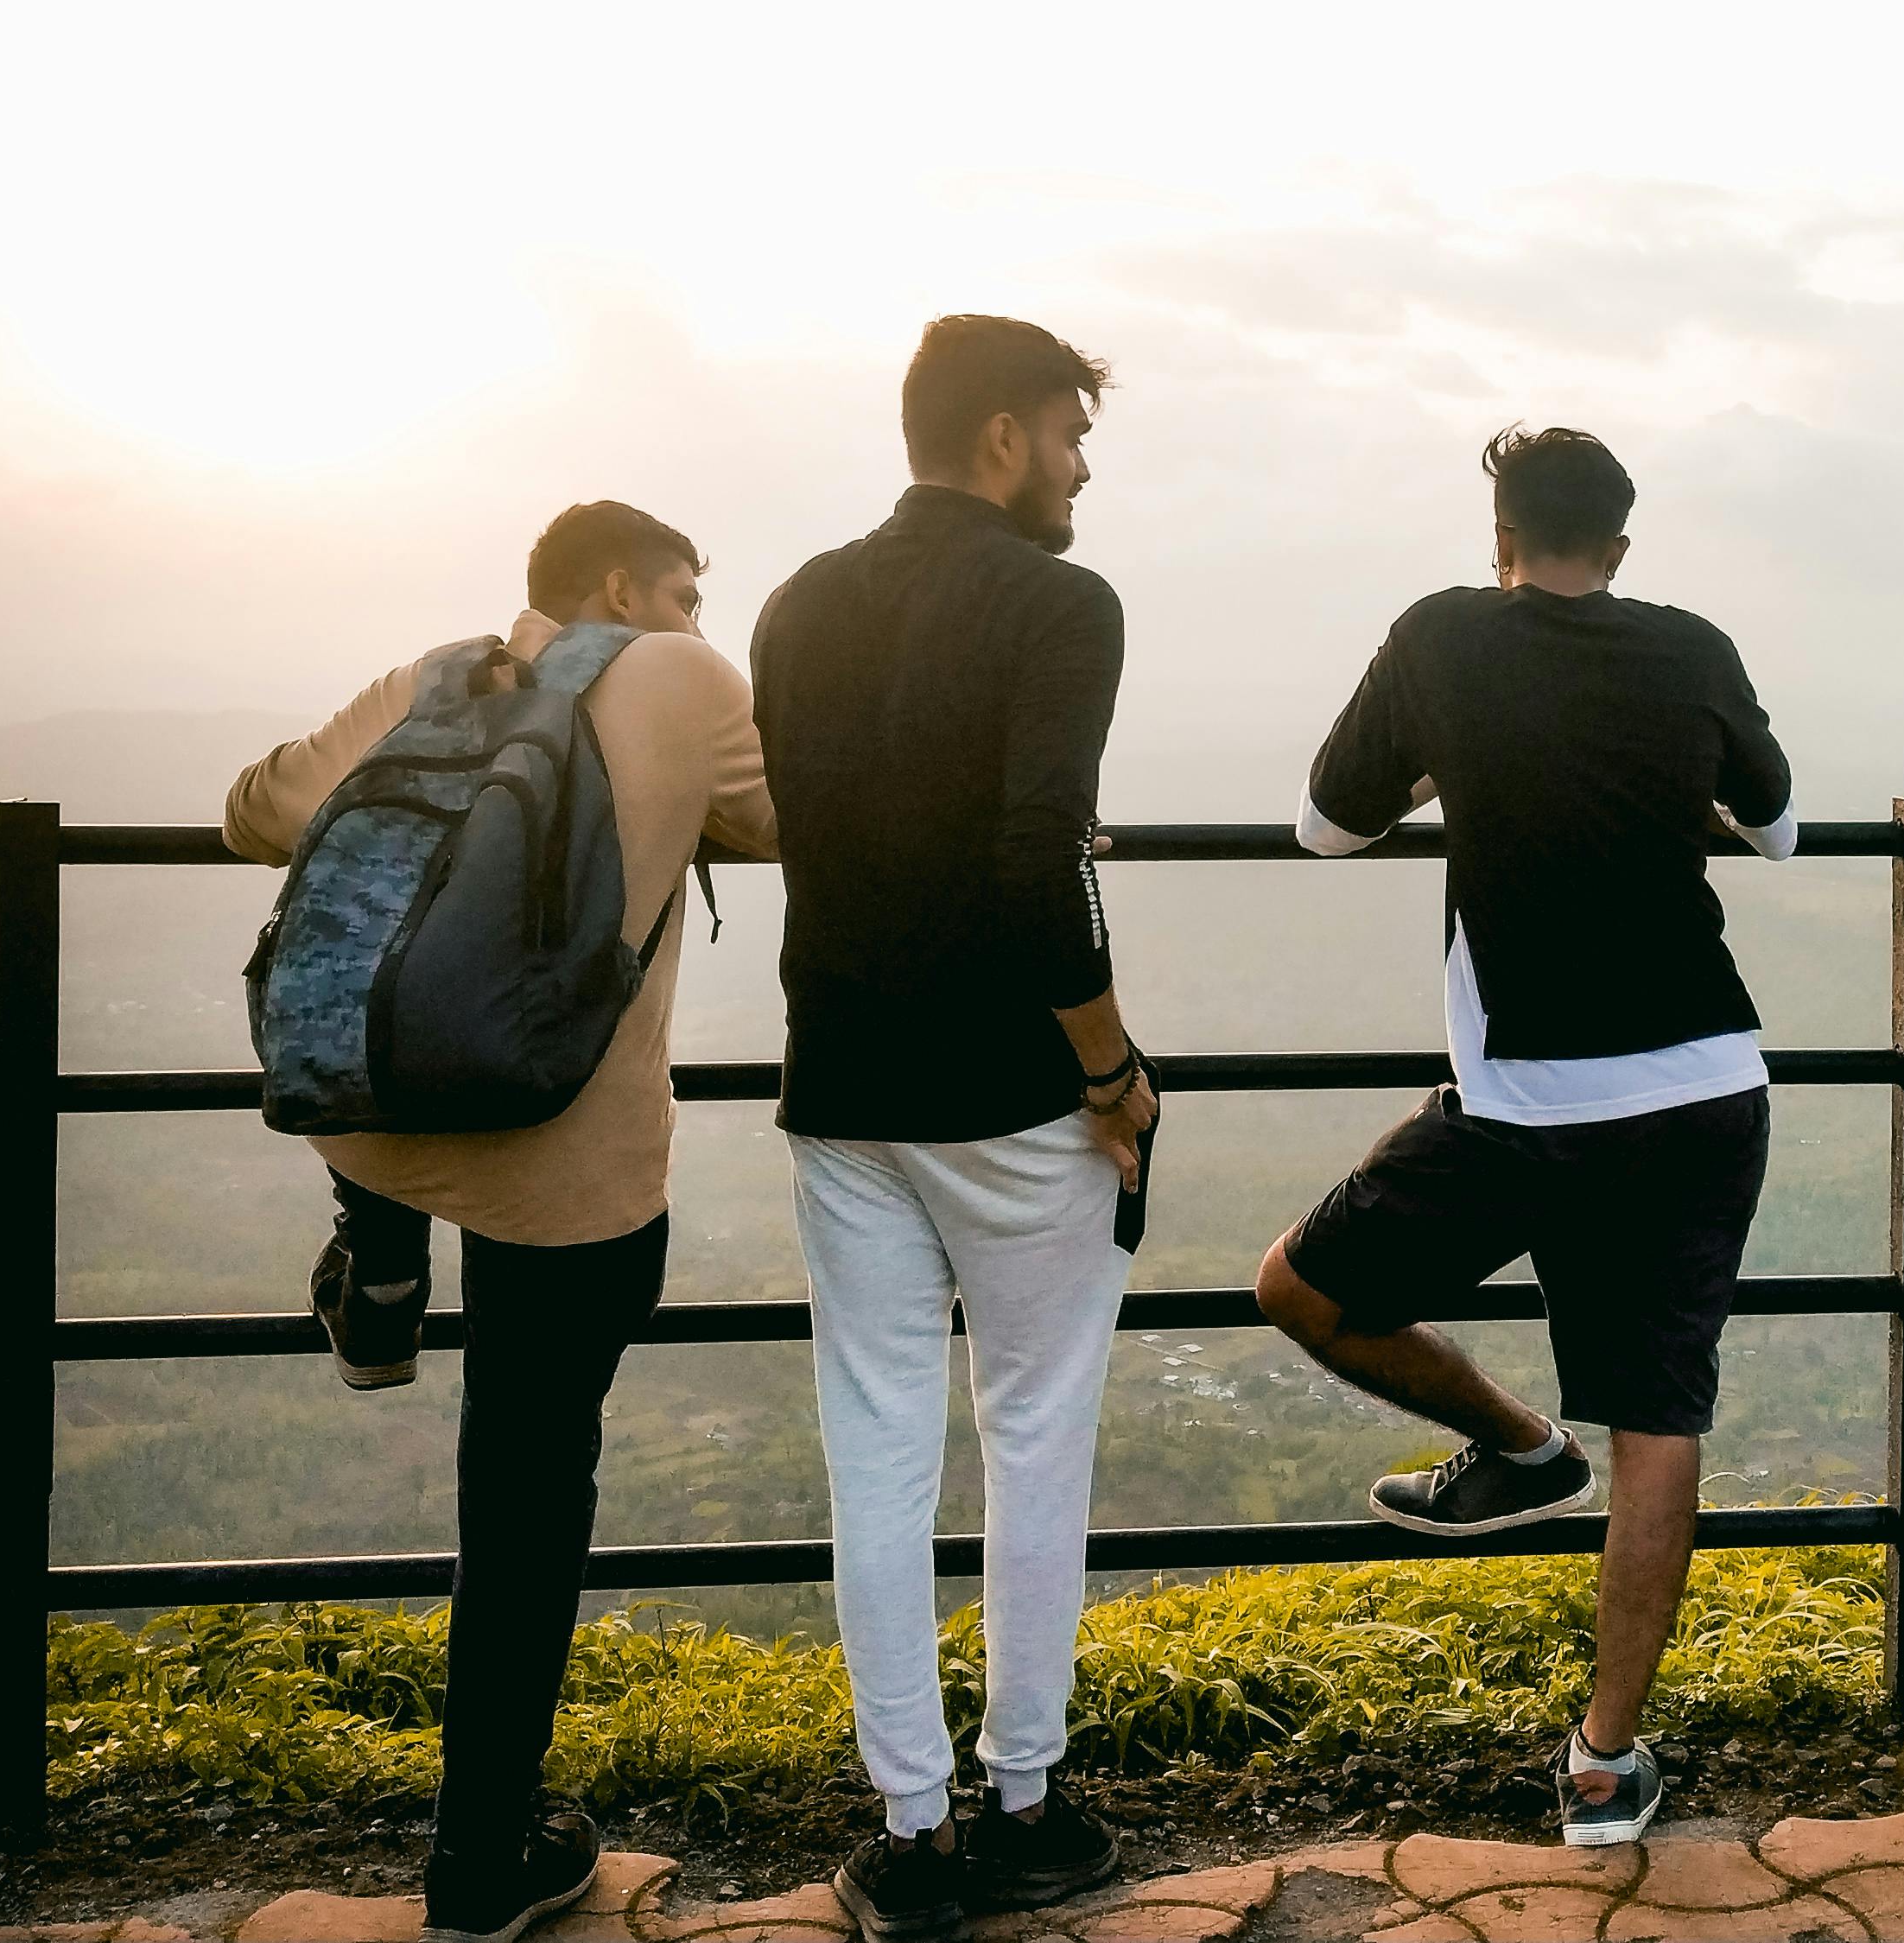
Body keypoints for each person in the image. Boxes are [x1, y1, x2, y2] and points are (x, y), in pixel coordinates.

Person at [225, 500, 777, 1941]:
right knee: (525, 1492)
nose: (701, 619)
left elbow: (259, 813)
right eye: (686, 589)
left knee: (397, 1146)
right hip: (560, 1160)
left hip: (362, 1103)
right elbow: (795, 818)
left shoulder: (435, 676)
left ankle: (379, 1249)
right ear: (617, 588)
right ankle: (481, 1854)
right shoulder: (685, 682)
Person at [1255, 426, 1796, 1847]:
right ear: (1619, 543)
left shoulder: (1441, 636)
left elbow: (1324, 825)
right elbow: (1781, 824)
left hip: (1523, 1107)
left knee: (1297, 1289)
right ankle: (1607, 1766)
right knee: (1660, 1419)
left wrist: (1455, 767)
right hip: (1701, 1085)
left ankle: (1512, 1443)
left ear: (1494, 533)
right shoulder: (1689, 644)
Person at [750, 314, 1145, 1940]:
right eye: (1066, 432)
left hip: (842, 1083)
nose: (1079, 464)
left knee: (878, 1450)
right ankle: (1029, 1801)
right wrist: (1112, 1071)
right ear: (999, 436)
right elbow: (1034, 859)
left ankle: (908, 1829)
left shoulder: (791, 603)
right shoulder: (1062, 604)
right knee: (1036, 1434)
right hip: (1010, 1099)